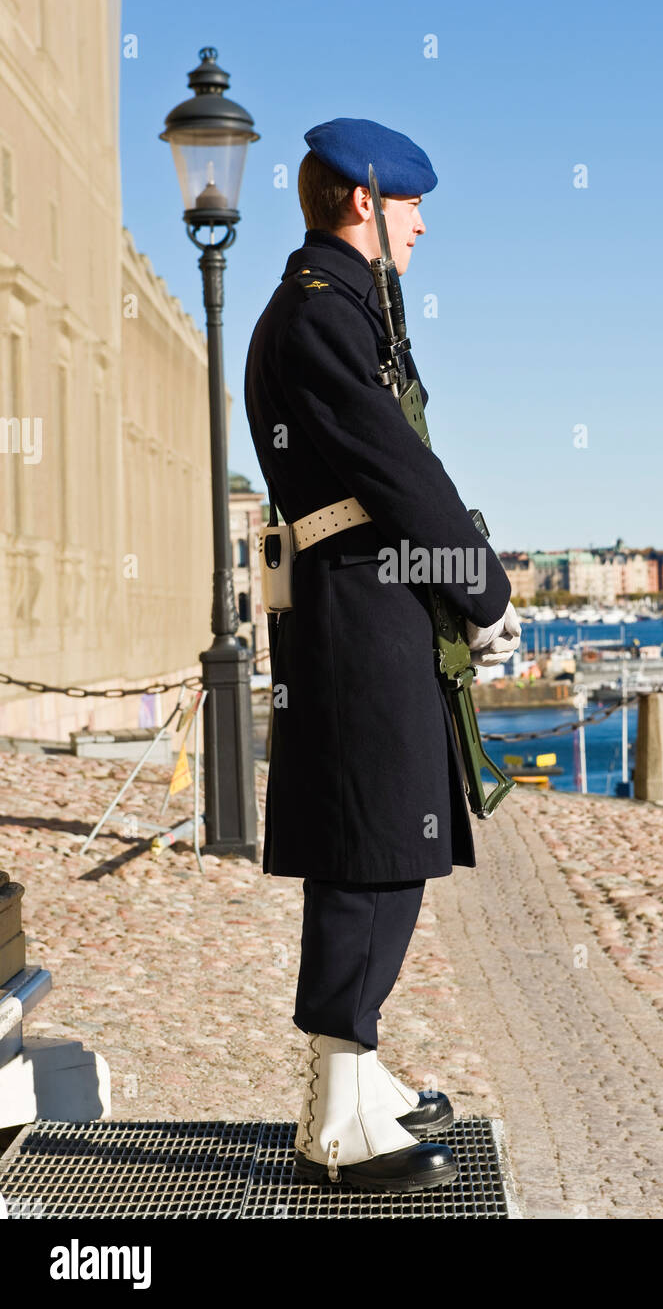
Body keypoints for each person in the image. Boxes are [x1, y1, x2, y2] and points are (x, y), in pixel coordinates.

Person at [244, 117, 520, 1192]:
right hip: (363, 604)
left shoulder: (341, 308)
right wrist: (481, 583)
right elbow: (399, 470)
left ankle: (358, 1078)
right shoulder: (322, 316)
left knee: (385, 849)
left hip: (374, 596)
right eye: (410, 206)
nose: (420, 227)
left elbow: (401, 463)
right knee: (366, 855)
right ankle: (337, 1114)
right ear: (364, 198)